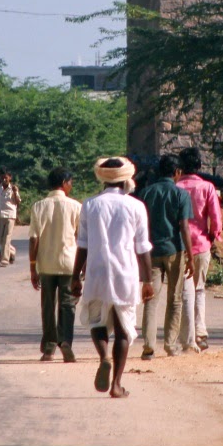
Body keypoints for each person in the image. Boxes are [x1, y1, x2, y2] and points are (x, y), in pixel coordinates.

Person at [71, 156, 154, 398]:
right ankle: (116, 384)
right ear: (126, 179)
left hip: (96, 270)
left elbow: (83, 244)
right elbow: (142, 247)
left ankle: (104, 356)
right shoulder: (136, 206)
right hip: (125, 272)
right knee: (123, 329)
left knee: (97, 321)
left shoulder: (89, 205)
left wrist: (76, 276)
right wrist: (148, 280)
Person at [138, 153, 194, 360]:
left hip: (151, 253)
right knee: (175, 300)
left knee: (150, 299)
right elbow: (184, 227)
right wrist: (190, 256)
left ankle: (148, 345)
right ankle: (170, 345)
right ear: (177, 172)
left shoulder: (146, 193)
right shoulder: (181, 195)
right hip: (175, 251)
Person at [29, 166, 82, 363]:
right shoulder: (76, 206)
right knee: (68, 305)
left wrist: (32, 267)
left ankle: (49, 347)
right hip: (70, 263)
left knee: (48, 305)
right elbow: (81, 238)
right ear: (64, 183)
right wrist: (82, 268)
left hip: (46, 264)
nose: (71, 186)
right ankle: (66, 341)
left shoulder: (39, 206)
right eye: (70, 182)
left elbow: (34, 239)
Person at [176, 147, 222, 353]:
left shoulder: (176, 188)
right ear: (199, 166)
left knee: (183, 292)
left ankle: (186, 337)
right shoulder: (207, 187)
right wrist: (212, 237)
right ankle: (200, 333)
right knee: (199, 289)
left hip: (179, 246)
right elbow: (216, 219)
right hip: (201, 244)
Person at [0, 169, 20, 266]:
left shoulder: (13, 188)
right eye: (2, 177)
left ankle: (4, 260)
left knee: (7, 238)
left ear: (10, 178)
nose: (4, 179)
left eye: (6, 177)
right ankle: (11, 251)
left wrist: (15, 192)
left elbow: (18, 202)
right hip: (0, 215)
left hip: (10, 215)